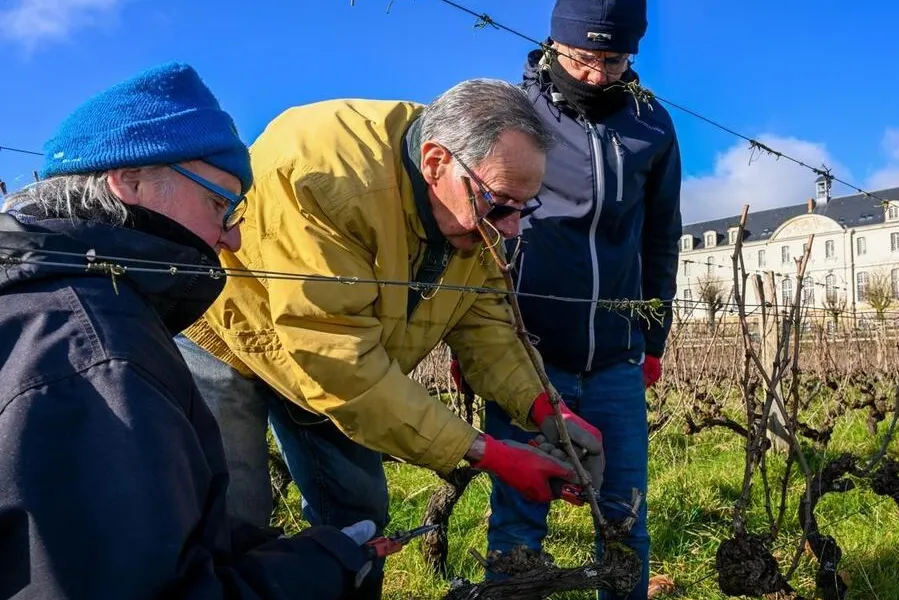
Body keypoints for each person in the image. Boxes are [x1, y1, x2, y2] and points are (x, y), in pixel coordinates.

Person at [174, 78, 606, 599]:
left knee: (360, 518)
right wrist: (487, 453)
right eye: (499, 205)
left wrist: (546, 409)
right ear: (434, 163)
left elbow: (486, 324)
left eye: (524, 208)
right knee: (230, 516)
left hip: (343, 355)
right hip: (230, 337)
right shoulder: (322, 174)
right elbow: (338, 357)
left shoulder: (477, 211)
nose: (511, 228)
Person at [0, 62, 379, 599]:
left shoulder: (39, 307)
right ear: (129, 180)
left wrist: (283, 550)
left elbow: (132, 538)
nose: (235, 238)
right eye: (219, 204)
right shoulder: (99, 355)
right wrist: (326, 567)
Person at [466, 1, 684, 598]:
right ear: (555, 43)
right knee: (518, 522)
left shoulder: (654, 126)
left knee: (625, 519)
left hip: (617, 357)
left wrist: (653, 340)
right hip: (527, 354)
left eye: (613, 60)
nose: (596, 73)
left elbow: (661, 238)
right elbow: (478, 232)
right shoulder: (514, 115)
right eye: (584, 57)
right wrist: (471, 337)